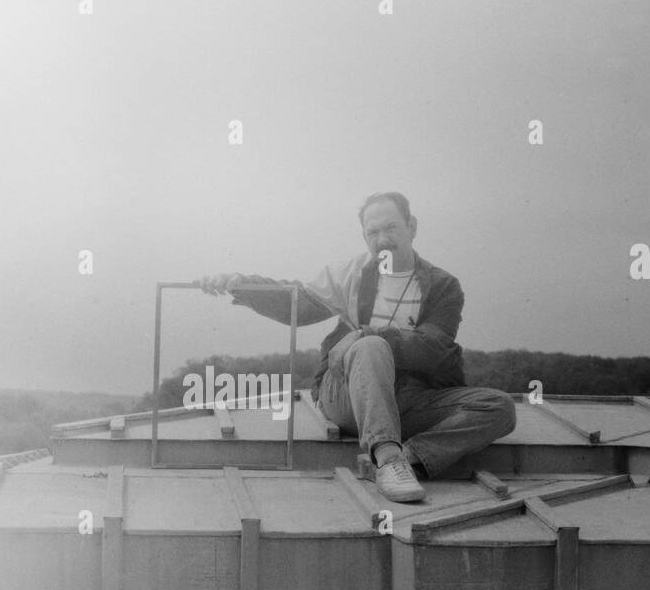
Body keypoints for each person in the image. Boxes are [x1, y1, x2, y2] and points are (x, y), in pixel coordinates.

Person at [197, 192, 516, 503]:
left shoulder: (443, 285)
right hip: (348, 393)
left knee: (499, 407)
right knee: (371, 348)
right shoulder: (350, 274)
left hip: (410, 398)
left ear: (412, 227)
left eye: (391, 227)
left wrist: (363, 333)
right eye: (372, 232)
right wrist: (241, 282)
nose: (382, 239)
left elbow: (433, 347)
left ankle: (410, 456)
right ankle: (388, 460)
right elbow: (298, 306)